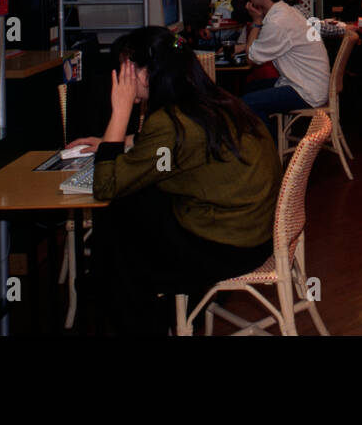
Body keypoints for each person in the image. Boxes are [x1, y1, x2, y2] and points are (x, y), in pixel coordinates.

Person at [66, 26, 281, 335]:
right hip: (252, 233)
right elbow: (172, 145)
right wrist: (112, 142)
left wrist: (120, 111)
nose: (121, 78)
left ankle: (119, 304)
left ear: (145, 73)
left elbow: (105, 185)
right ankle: (128, 300)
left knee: (118, 223)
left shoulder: (169, 122)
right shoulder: (213, 102)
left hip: (226, 246)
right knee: (132, 211)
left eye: (126, 69)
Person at [237, 0, 331, 130]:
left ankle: (270, 150)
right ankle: (270, 140)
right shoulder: (284, 11)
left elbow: (251, 58)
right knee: (248, 89)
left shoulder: (278, 21)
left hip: (306, 90)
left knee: (248, 103)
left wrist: (256, 21)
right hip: (305, 82)